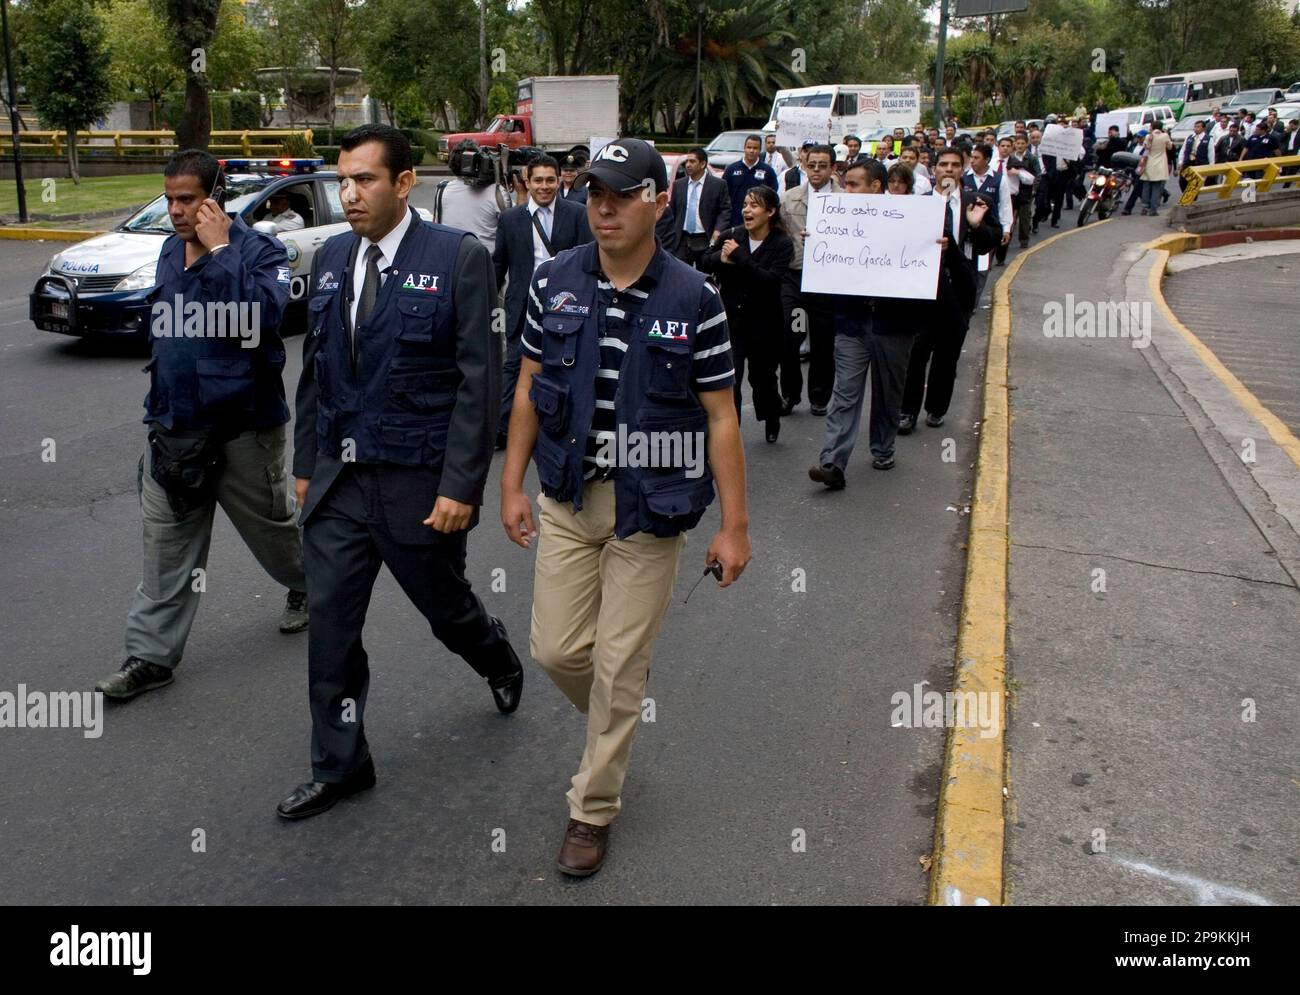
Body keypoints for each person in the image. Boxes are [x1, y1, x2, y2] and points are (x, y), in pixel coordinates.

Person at [499, 137, 752, 877]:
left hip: (652, 505)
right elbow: (528, 385)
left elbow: (722, 415)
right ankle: (615, 722)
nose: (601, 208)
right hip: (571, 495)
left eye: (620, 195)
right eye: (593, 194)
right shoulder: (555, 281)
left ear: (658, 202)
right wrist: (511, 483)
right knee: (556, 650)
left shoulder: (694, 298)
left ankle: (592, 806)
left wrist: (735, 527)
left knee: (617, 665)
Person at [279, 124, 523, 821]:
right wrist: (304, 464)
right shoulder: (329, 259)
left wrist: (459, 486)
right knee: (329, 625)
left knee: (445, 608)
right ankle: (341, 763)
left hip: (419, 481)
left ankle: (495, 656)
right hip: (341, 481)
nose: (349, 194)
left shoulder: (456, 258)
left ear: (405, 182)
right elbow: (316, 372)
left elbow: (480, 380)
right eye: (343, 180)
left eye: (365, 180)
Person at [95, 150, 306, 702]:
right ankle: (150, 656)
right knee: (166, 547)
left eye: (187, 198)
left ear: (216, 194)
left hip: (243, 430)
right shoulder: (168, 250)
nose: (176, 210)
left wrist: (218, 252)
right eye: (169, 199)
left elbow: (259, 322)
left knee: (274, 531)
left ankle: (309, 586)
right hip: (174, 428)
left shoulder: (262, 251)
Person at [808, 160, 917, 489]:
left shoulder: (909, 218)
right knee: (845, 394)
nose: (847, 190)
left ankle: (883, 447)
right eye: (847, 184)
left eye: (854, 184)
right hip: (852, 323)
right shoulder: (836, 220)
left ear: (876, 187)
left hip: (894, 324)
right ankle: (832, 461)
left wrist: (937, 247)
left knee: (888, 392)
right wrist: (817, 244)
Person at [493, 154, 593, 447]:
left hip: (567, 305)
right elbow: (499, 264)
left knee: (565, 366)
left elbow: (588, 257)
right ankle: (505, 431)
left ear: (560, 179)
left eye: (551, 179)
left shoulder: (576, 214)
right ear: (527, 181)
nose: (545, 186)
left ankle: (565, 426)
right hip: (521, 307)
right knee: (514, 368)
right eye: (538, 180)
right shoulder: (510, 219)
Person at [898, 148, 1000, 435]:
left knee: (947, 354)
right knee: (917, 352)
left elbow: (991, 241)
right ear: (934, 170)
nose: (949, 170)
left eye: (955, 165)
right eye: (943, 164)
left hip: (959, 290)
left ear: (963, 168)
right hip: (922, 290)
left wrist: (976, 226)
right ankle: (907, 411)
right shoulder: (917, 204)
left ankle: (937, 408)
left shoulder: (979, 202)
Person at [699, 184, 793, 443]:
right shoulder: (732, 236)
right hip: (733, 321)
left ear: (770, 211)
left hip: (765, 324)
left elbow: (771, 280)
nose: (747, 210)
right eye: (745, 205)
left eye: (754, 205)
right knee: (732, 379)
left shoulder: (782, 243)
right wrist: (721, 258)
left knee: (762, 379)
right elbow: (704, 262)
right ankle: (731, 432)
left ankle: (771, 415)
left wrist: (741, 258)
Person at [779, 143, 841, 416]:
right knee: (790, 339)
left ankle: (820, 395)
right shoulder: (790, 197)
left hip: (827, 281)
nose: (816, 171)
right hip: (794, 276)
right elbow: (777, 231)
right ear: (804, 165)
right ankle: (790, 394)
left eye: (823, 166)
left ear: (833, 168)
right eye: (812, 165)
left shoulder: (845, 199)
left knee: (823, 342)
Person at [435, 138, 504, 252]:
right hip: (486, 265)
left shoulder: (442, 189)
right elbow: (515, 228)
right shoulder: (496, 192)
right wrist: (521, 192)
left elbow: (437, 224)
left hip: (450, 261)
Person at [962, 143, 1011, 297]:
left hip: (987, 231)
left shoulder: (999, 179)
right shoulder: (964, 178)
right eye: (971, 157)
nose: (973, 161)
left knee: (982, 268)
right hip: (966, 230)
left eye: (977, 158)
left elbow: (1005, 205)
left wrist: (1006, 228)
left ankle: (975, 298)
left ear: (987, 159)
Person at [669, 147, 731, 269]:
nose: (688, 165)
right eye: (687, 161)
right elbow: (672, 211)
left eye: (692, 161)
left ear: (703, 164)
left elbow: (725, 210)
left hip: (705, 238)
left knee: (704, 274)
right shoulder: (679, 185)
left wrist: (718, 230)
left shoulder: (717, 185)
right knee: (681, 273)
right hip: (682, 239)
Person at [722, 134, 779, 228]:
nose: (752, 151)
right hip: (734, 222)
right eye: (749, 147)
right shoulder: (731, 169)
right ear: (744, 148)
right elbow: (723, 196)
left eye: (755, 148)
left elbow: (773, 197)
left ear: (760, 150)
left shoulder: (768, 171)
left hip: (759, 223)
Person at [1009, 134, 1039, 248]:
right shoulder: (1011, 158)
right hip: (1013, 190)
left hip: (1026, 192)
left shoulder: (1032, 158)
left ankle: (1024, 239)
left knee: (1024, 217)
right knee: (1010, 216)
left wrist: (1034, 190)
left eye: (1022, 143)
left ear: (1027, 144)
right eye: (1018, 143)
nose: (1020, 146)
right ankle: (1007, 238)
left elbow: (1037, 175)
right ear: (1014, 145)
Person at [1139, 123, 1172, 215]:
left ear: (1152, 127)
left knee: (1146, 186)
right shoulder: (1165, 136)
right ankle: (1153, 209)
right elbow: (1169, 147)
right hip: (1160, 164)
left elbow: (1145, 148)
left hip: (1149, 163)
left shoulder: (1148, 136)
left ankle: (1145, 207)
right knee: (1156, 187)